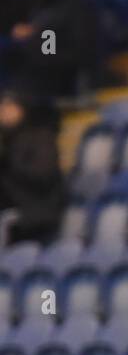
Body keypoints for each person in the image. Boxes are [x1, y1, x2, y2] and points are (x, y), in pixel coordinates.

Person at [7, 0, 99, 100]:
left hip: (62, 74)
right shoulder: (41, 4)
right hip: (37, 67)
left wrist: (36, 36)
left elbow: (78, 49)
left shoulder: (78, 8)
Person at [0, 90, 66, 246]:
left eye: (8, 106)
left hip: (38, 220)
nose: (3, 112)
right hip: (12, 221)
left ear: (22, 108)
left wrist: (8, 162)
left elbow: (42, 176)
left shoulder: (41, 137)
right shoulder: (7, 141)